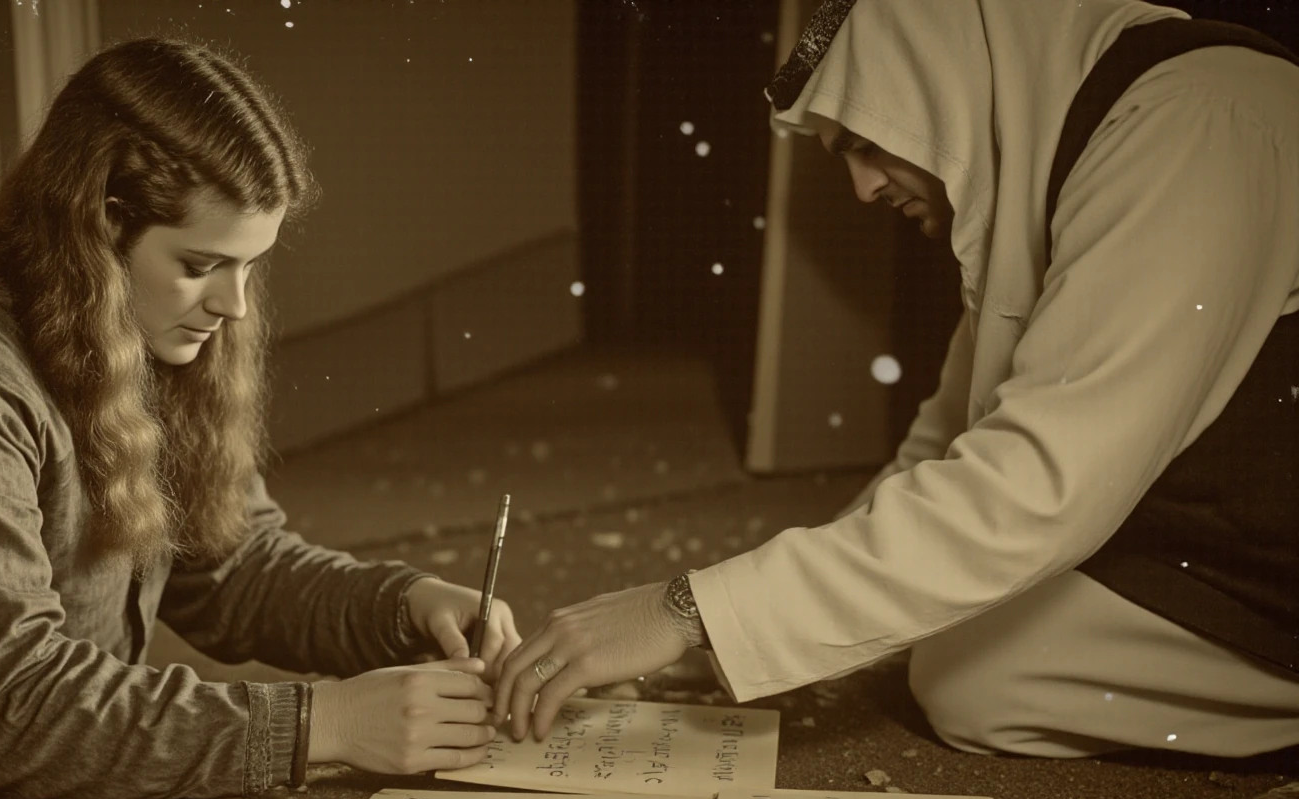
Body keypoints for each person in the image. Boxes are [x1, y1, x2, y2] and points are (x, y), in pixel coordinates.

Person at [0, 38, 518, 799]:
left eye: (250, 267)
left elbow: (229, 566)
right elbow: (6, 712)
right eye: (201, 265)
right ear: (96, 227)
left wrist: (403, 606)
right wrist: (328, 722)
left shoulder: (143, 330)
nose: (234, 306)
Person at [495, 0, 1299, 759]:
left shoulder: (1192, 126)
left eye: (868, 143)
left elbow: (1039, 486)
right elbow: (944, 446)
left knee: (969, 664)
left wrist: (689, 611)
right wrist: (732, 630)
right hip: (1211, 526)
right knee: (974, 674)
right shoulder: (1052, 157)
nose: (863, 188)